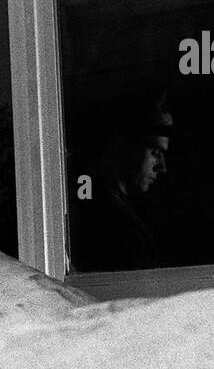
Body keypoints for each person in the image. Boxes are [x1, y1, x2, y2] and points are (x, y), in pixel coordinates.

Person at [70, 97, 172, 271]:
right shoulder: (96, 214)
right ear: (123, 145)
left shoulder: (132, 207)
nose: (162, 167)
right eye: (155, 152)